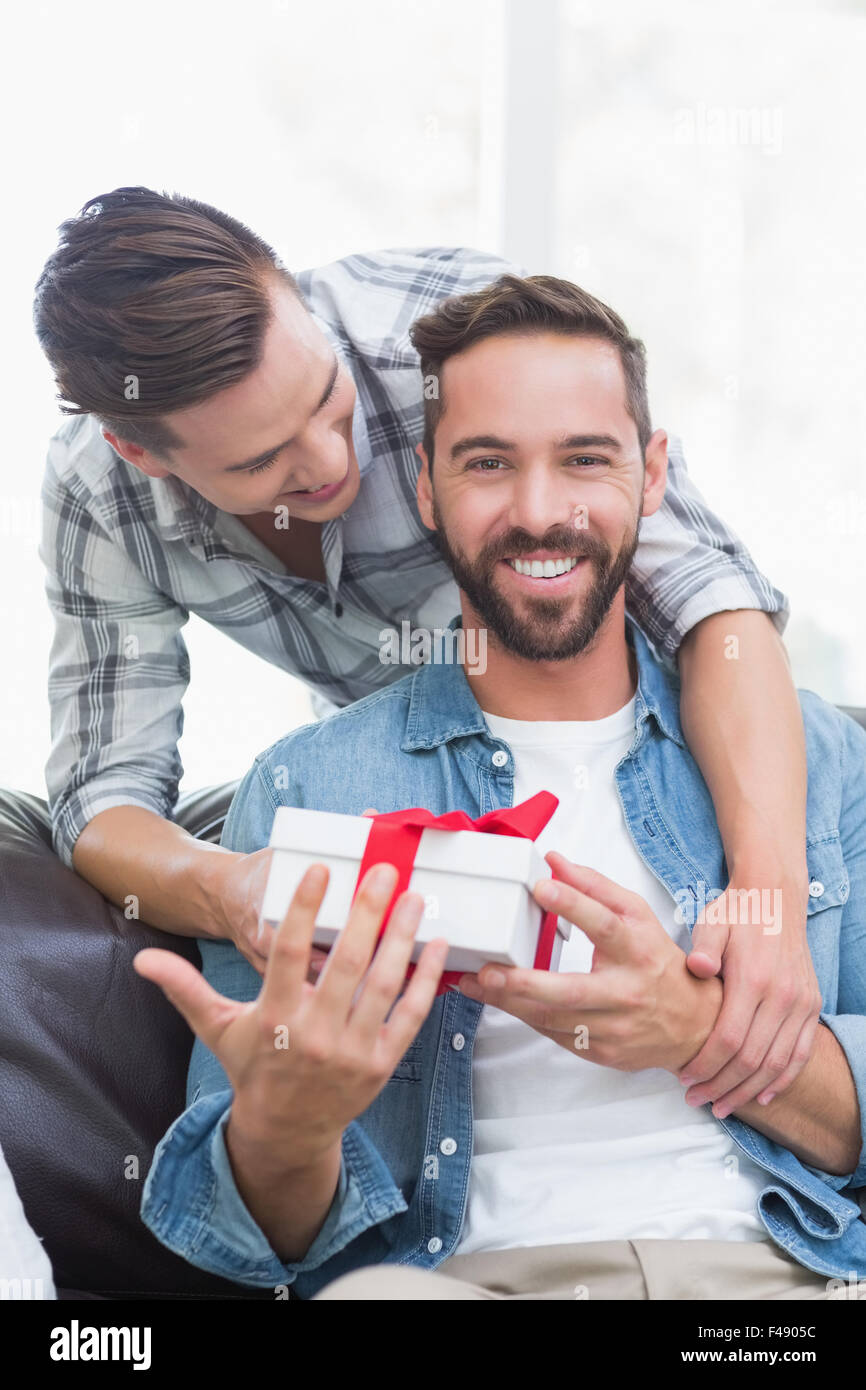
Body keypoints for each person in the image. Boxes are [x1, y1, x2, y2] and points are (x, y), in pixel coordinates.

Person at [134, 274, 866, 1299]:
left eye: (583, 459)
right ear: (426, 489)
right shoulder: (313, 789)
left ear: (651, 477)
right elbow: (264, 1238)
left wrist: (693, 1031)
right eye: (487, 464)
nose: (537, 512)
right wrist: (285, 1125)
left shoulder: (813, 761)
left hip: (778, 1295)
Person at [34, 185, 815, 1113]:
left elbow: (713, 603)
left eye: (329, 401)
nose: (328, 463)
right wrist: (229, 889)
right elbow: (100, 800)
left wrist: (770, 899)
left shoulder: (446, 336)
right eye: (259, 463)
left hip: (677, 759)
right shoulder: (100, 497)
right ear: (142, 454)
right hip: (418, 800)